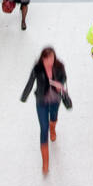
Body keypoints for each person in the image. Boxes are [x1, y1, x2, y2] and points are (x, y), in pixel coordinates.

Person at [20, 47, 71, 175]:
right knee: (43, 128)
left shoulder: (59, 67)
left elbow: (64, 78)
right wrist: (24, 96)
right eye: (48, 58)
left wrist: (59, 84)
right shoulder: (37, 69)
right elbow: (30, 82)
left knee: (53, 118)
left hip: (55, 100)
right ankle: (45, 162)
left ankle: (53, 127)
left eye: (52, 58)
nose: (50, 61)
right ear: (43, 58)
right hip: (41, 101)